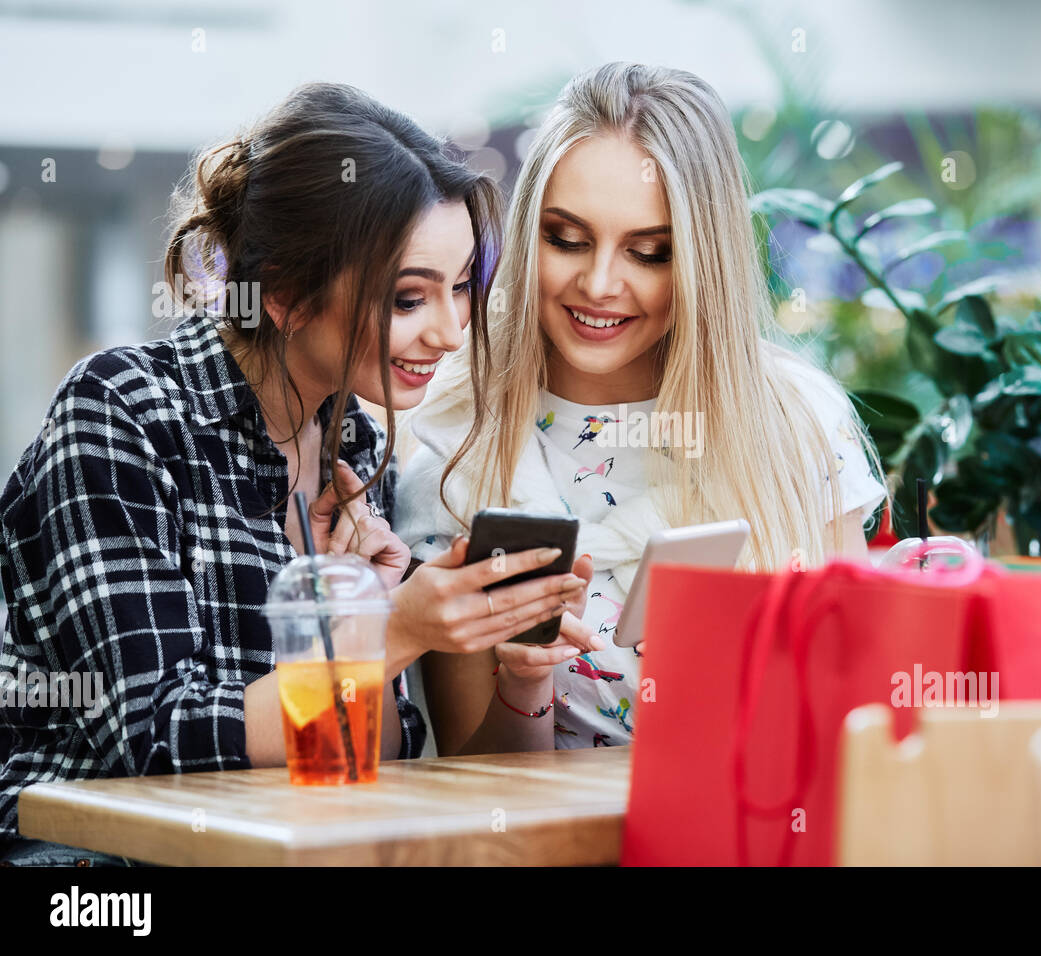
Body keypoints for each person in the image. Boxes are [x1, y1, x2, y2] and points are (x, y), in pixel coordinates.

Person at [0, 83, 597, 866]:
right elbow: (152, 742)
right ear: (282, 292)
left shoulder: (352, 445)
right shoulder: (122, 411)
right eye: (410, 297)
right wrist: (394, 631)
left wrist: (485, 663)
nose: (452, 332)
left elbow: (351, 763)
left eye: (460, 289)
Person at [395, 63, 887, 757]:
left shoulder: (797, 422)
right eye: (566, 239)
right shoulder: (457, 444)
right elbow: (482, 784)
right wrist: (524, 681)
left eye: (649, 252)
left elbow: (857, 717)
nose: (599, 284)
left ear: (701, 260)